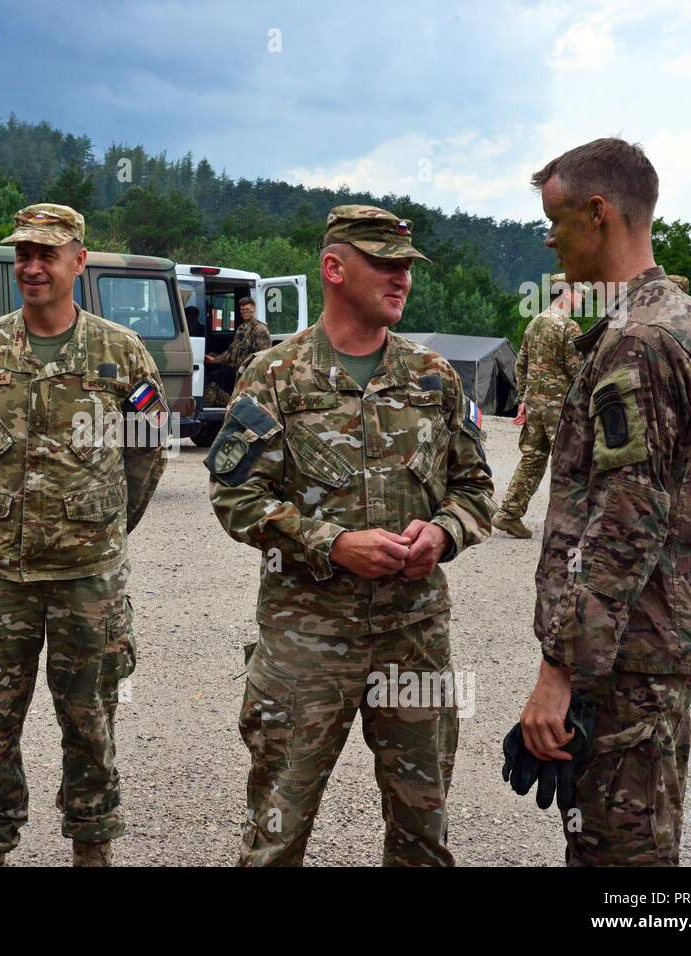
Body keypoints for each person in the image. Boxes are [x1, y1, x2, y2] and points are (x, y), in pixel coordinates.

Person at [207, 205, 496, 866]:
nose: (402, 279)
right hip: (306, 645)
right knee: (276, 834)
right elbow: (235, 496)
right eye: (385, 265)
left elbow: (477, 489)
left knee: (423, 836)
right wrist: (331, 542)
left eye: (406, 268)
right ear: (334, 268)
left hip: (413, 637)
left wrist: (445, 534)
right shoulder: (275, 376)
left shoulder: (434, 376)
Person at [518, 138, 691, 865]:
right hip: (650, 646)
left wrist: (561, 670)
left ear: (598, 213)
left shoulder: (638, 341)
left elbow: (626, 519)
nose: (550, 239)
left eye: (555, 220)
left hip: (627, 657)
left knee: (622, 861)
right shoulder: (687, 317)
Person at [0, 203, 167, 867]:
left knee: (91, 730)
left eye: (47, 254)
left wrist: (105, 521)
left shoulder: (120, 353)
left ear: (79, 261)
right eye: (23, 255)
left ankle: (91, 856)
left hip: (86, 583)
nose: (32, 267)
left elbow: (147, 446)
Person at [492, 274, 582, 537]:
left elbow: (521, 364)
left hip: (536, 406)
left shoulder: (535, 323)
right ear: (567, 293)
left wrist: (525, 399)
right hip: (561, 408)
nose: (584, 296)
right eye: (580, 291)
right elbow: (577, 371)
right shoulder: (569, 327)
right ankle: (568, 524)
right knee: (569, 463)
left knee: (532, 459)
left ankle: (509, 513)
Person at [203, 295, 270, 407]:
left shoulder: (260, 329)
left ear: (254, 309)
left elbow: (264, 355)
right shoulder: (241, 328)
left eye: (247, 309)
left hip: (247, 372)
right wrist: (214, 360)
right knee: (210, 380)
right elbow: (231, 351)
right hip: (233, 370)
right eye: (242, 310)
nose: (244, 312)